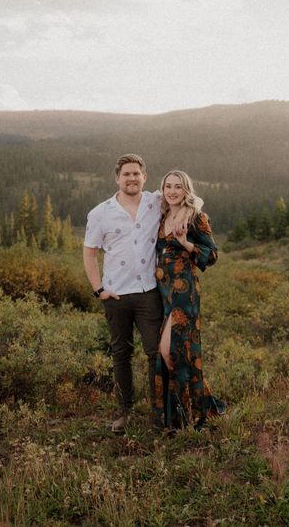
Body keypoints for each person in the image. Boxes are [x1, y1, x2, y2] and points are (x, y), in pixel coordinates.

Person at [83, 154, 163, 433]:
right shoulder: (100, 213)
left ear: (145, 177)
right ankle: (124, 411)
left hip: (148, 292)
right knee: (121, 353)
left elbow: (190, 200)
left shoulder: (156, 202)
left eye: (136, 174)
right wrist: (99, 289)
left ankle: (158, 412)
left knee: (156, 352)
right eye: (126, 174)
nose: (131, 178)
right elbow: (89, 252)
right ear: (117, 178)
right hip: (116, 294)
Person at [153, 170, 225, 431]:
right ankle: (181, 414)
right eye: (168, 186)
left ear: (186, 190)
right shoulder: (163, 215)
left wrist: (187, 244)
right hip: (165, 293)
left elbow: (213, 254)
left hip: (185, 293)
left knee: (170, 350)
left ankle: (189, 413)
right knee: (178, 352)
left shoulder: (195, 216)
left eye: (178, 187)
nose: (172, 191)